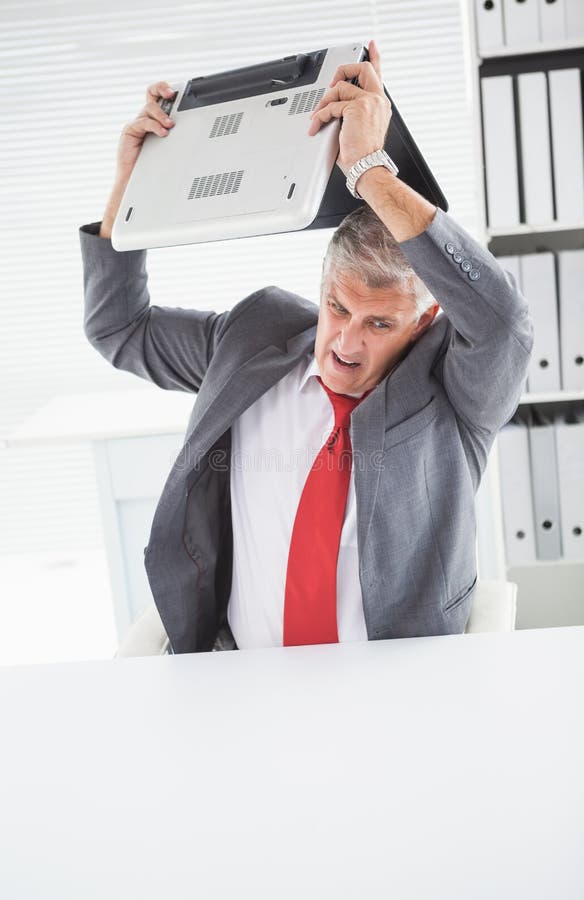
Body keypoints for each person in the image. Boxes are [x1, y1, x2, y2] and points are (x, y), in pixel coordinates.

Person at [79, 40, 533, 654]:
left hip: (399, 684)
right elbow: (119, 328)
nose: (346, 341)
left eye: (379, 324)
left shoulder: (455, 390)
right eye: (338, 308)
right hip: (242, 675)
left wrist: (370, 170)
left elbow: (504, 325)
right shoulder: (256, 337)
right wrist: (132, 186)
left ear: (425, 320)